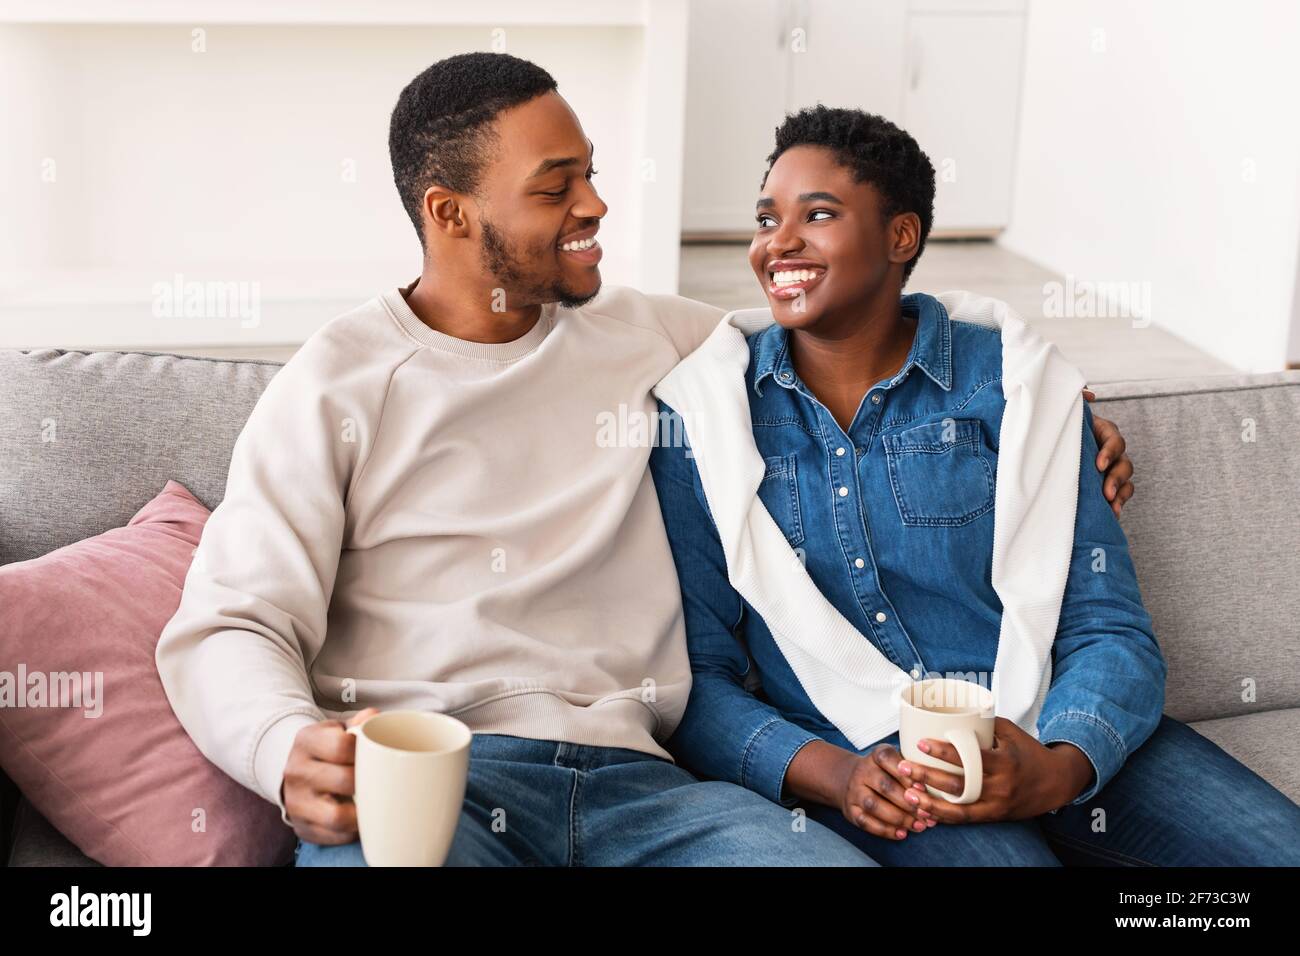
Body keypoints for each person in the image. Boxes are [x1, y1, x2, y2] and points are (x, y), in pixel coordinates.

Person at [155, 54, 1134, 867]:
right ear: (449, 213)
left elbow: (841, 325)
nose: (596, 204)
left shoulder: (652, 336)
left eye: (587, 170)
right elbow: (231, 620)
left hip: (655, 795)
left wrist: (1043, 407)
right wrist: (284, 745)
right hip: (440, 780)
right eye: (556, 187)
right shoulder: (334, 384)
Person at [649, 105, 1300, 865]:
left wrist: (1060, 765)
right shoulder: (705, 415)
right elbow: (700, 679)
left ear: (901, 236)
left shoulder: (1016, 388)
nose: (778, 242)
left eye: (817, 214)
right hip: (871, 759)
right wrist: (837, 777)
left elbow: (1107, 627)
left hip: (1052, 721)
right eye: (767, 218)